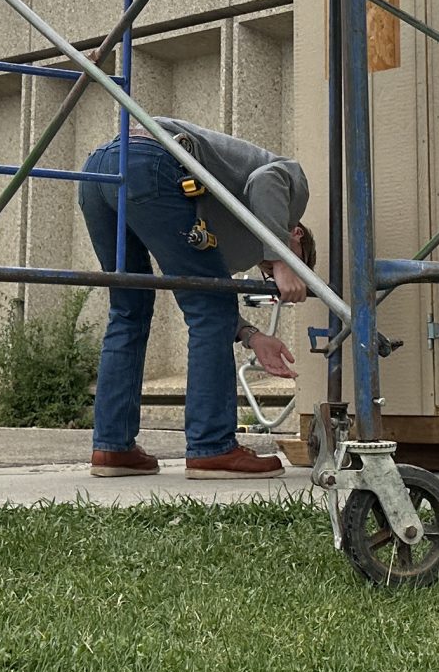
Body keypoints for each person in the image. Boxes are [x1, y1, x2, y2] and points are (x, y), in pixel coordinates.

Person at [76, 120, 313, 480]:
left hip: (99, 170)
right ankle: (212, 448)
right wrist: (283, 260)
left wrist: (252, 336)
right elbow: (266, 180)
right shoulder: (293, 193)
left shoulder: (239, 248)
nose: (271, 275)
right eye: (297, 261)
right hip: (150, 158)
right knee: (204, 307)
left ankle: (113, 447)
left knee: (129, 308)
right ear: (295, 233)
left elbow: (200, 294)